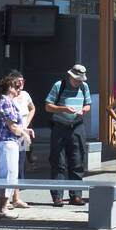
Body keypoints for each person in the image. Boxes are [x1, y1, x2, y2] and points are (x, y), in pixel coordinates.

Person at [45, 63, 91, 207]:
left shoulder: (84, 87)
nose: (78, 82)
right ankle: (58, 196)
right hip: (60, 127)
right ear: (70, 76)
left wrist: (83, 109)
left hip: (77, 126)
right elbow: (48, 106)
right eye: (76, 79)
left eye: (80, 80)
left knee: (77, 161)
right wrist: (63, 108)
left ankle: (76, 195)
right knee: (58, 162)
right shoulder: (58, 86)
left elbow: (88, 104)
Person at [0, 73, 34, 218]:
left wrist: (24, 130)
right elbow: (12, 126)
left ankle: (3, 208)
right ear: (10, 87)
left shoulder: (8, 102)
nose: (19, 90)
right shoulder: (6, 102)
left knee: (10, 175)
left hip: (9, 142)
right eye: (16, 86)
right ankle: (2, 209)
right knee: (8, 175)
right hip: (7, 142)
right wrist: (24, 134)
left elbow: (15, 125)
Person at [9, 73, 33, 209]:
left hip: (23, 133)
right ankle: (8, 198)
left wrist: (26, 124)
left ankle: (16, 197)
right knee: (10, 165)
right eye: (18, 82)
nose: (21, 85)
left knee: (20, 163)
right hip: (12, 134)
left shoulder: (26, 95)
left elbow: (32, 108)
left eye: (23, 81)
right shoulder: (8, 98)